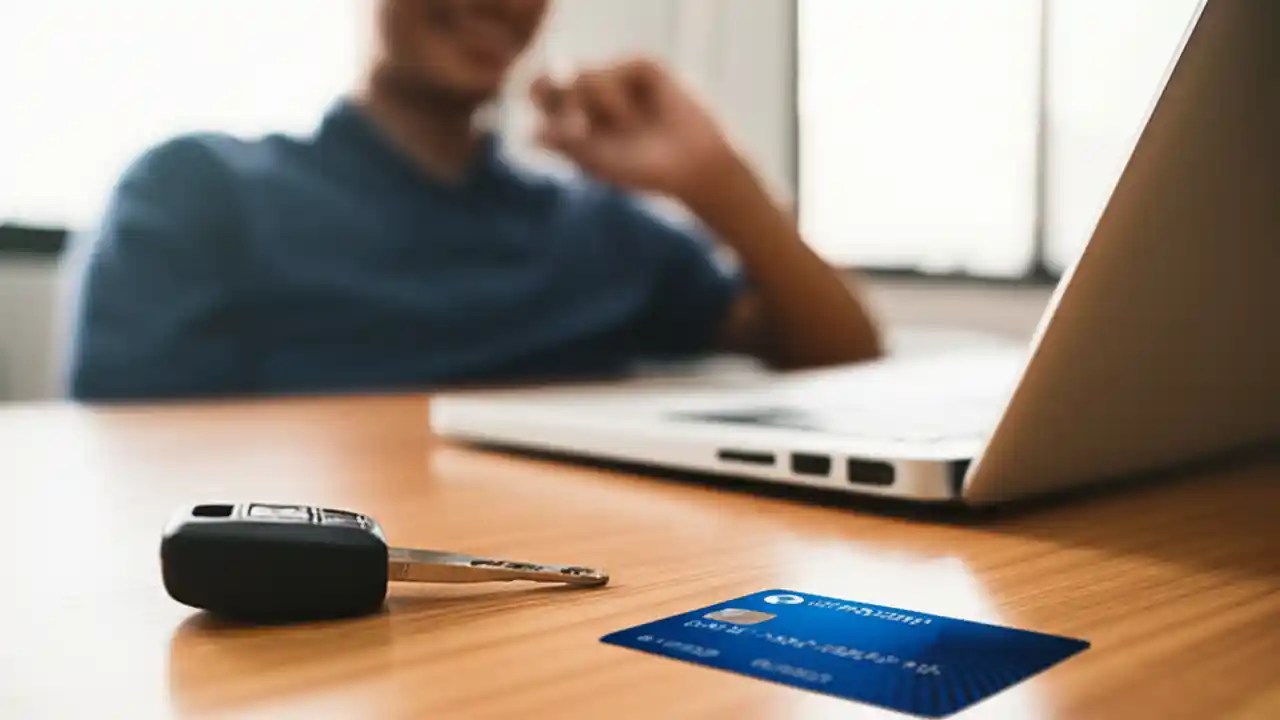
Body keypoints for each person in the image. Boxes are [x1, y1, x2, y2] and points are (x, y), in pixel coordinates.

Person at [64, 0, 881, 401]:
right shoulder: (191, 192)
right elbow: (121, 457)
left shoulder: (598, 228)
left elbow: (842, 349)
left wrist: (716, 181)